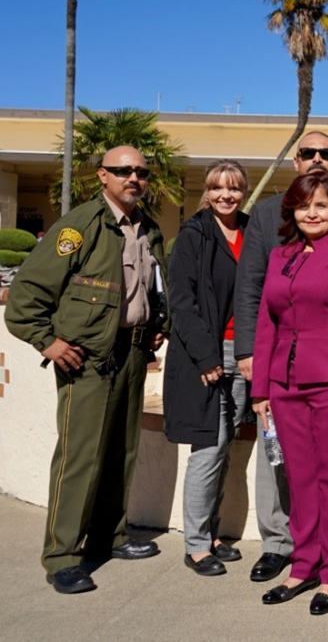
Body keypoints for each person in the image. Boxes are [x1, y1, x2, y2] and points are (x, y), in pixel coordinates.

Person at [5, 146, 169, 594]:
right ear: (103, 176)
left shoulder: (147, 228)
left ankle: (108, 537)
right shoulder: (80, 227)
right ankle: (61, 555)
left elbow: (151, 287)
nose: (133, 178)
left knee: (122, 450)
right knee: (80, 457)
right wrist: (48, 341)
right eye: (123, 171)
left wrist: (158, 324)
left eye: (140, 171)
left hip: (133, 354)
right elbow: (24, 298)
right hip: (88, 359)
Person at [233, 131, 328, 583]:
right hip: (285, 386)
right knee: (298, 481)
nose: (311, 213)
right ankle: (303, 565)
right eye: (303, 206)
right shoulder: (282, 255)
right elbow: (267, 321)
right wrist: (262, 390)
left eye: (320, 206)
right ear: (292, 211)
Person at [162, 159, 250, 576]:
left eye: (233, 188)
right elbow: (182, 301)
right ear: (207, 191)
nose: (225, 195)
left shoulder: (252, 231)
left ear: (244, 191)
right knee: (208, 449)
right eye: (218, 188)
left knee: (226, 445)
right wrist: (207, 358)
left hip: (245, 351)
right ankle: (196, 545)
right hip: (208, 356)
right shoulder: (194, 234)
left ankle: (212, 533)